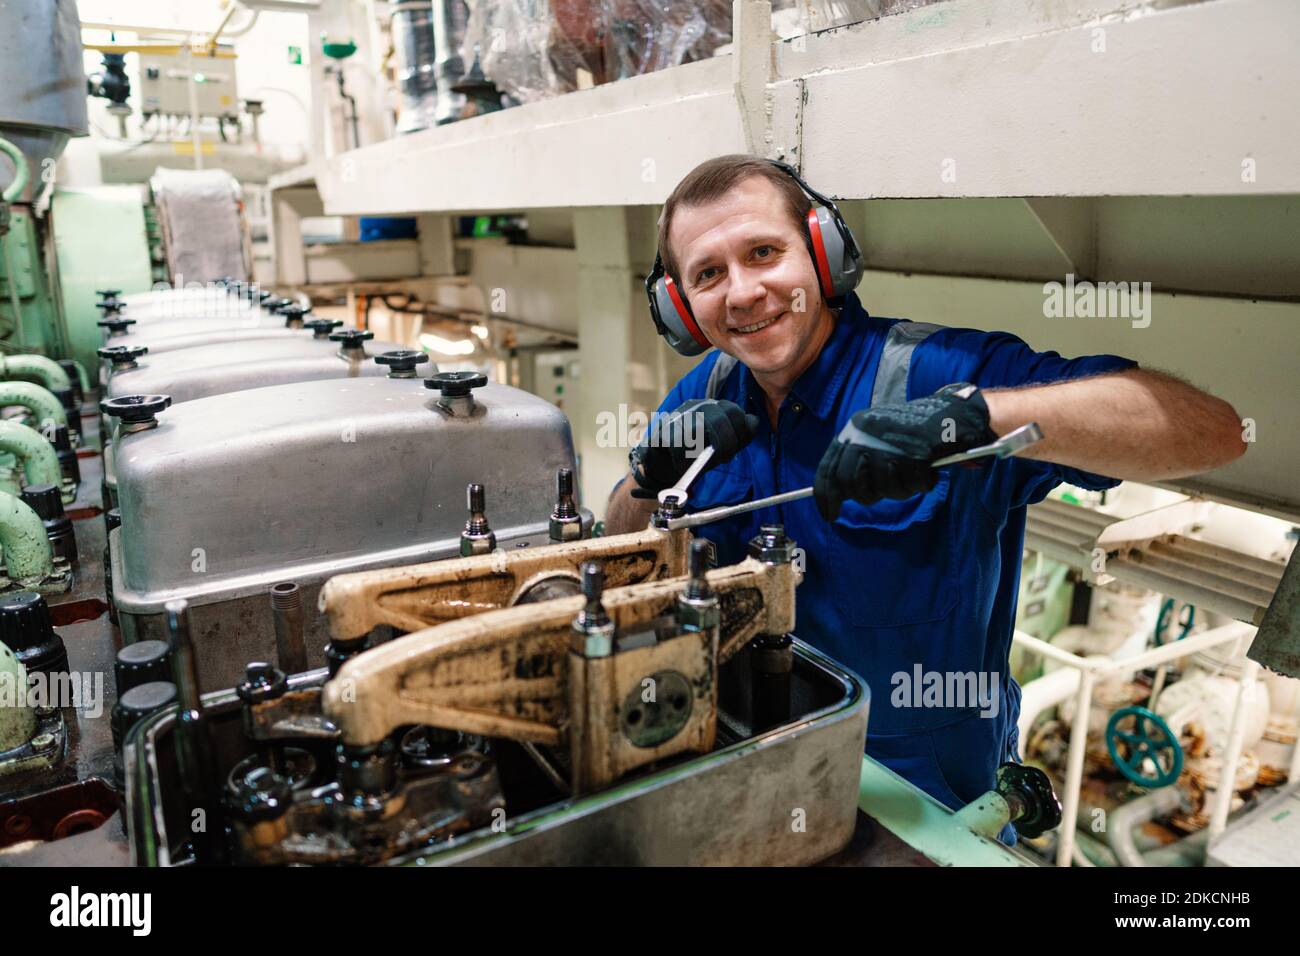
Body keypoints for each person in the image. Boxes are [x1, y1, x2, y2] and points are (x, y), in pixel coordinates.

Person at [604, 154, 1246, 838]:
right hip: (747, 769)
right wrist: (646, 478)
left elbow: (1211, 432)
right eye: (708, 274)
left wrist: (975, 419)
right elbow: (616, 547)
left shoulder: (936, 373)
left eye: (764, 252)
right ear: (679, 305)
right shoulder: (703, 393)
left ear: (824, 252)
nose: (742, 292)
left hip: (925, 808)